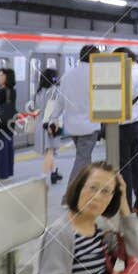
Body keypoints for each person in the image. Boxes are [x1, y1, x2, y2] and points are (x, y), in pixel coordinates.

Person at [45, 45, 103, 184]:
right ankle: (70, 196)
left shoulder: (67, 75)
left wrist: (53, 119)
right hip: (89, 126)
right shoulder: (96, 75)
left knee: (84, 158)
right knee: (82, 159)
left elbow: (60, 101)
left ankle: (84, 192)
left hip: (71, 126)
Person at [112, 47, 138, 216]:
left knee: (124, 167)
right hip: (136, 124)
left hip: (122, 125)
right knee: (137, 164)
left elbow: (119, 100)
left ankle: (125, 206)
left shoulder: (128, 75)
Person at [0, 66, 17, 180]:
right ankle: (8, 171)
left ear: (6, 77)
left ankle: (1, 173)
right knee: (8, 146)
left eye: (1, 75)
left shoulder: (2, 91)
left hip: (1, 122)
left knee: (1, 147)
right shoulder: (12, 91)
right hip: (10, 122)